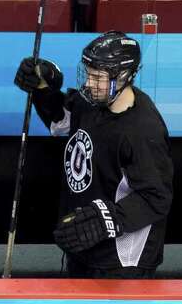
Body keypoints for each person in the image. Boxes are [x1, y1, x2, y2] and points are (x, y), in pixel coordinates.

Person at [14, 30, 173, 278]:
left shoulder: (143, 129)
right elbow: (62, 121)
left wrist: (106, 219)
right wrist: (43, 89)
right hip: (82, 245)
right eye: (88, 74)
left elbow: (156, 197)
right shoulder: (90, 103)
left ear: (123, 76)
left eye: (97, 77)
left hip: (121, 262)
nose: (89, 83)